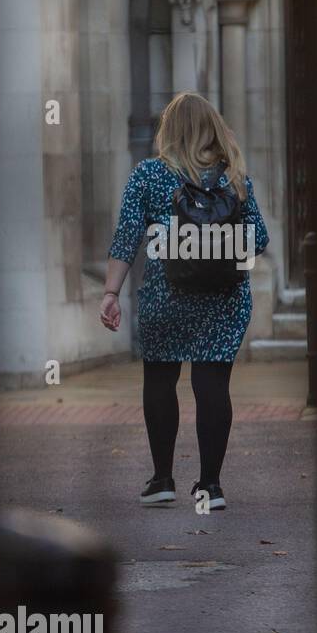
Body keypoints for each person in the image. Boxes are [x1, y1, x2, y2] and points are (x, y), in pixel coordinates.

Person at [101, 90, 269, 510]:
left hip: (165, 297)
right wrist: (217, 252)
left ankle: (162, 480)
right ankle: (210, 488)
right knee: (212, 385)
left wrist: (110, 293)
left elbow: (126, 240)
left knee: (159, 380)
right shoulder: (234, 177)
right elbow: (260, 240)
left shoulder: (148, 175)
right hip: (224, 301)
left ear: (169, 131)